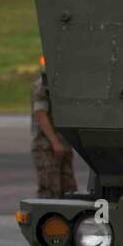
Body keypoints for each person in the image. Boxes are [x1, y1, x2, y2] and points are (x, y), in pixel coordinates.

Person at [31, 60, 77, 199]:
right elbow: (40, 114)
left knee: (69, 191)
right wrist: (55, 142)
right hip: (47, 147)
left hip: (63, 144)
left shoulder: (61, 84)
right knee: (50, 190)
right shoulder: (44, 85)